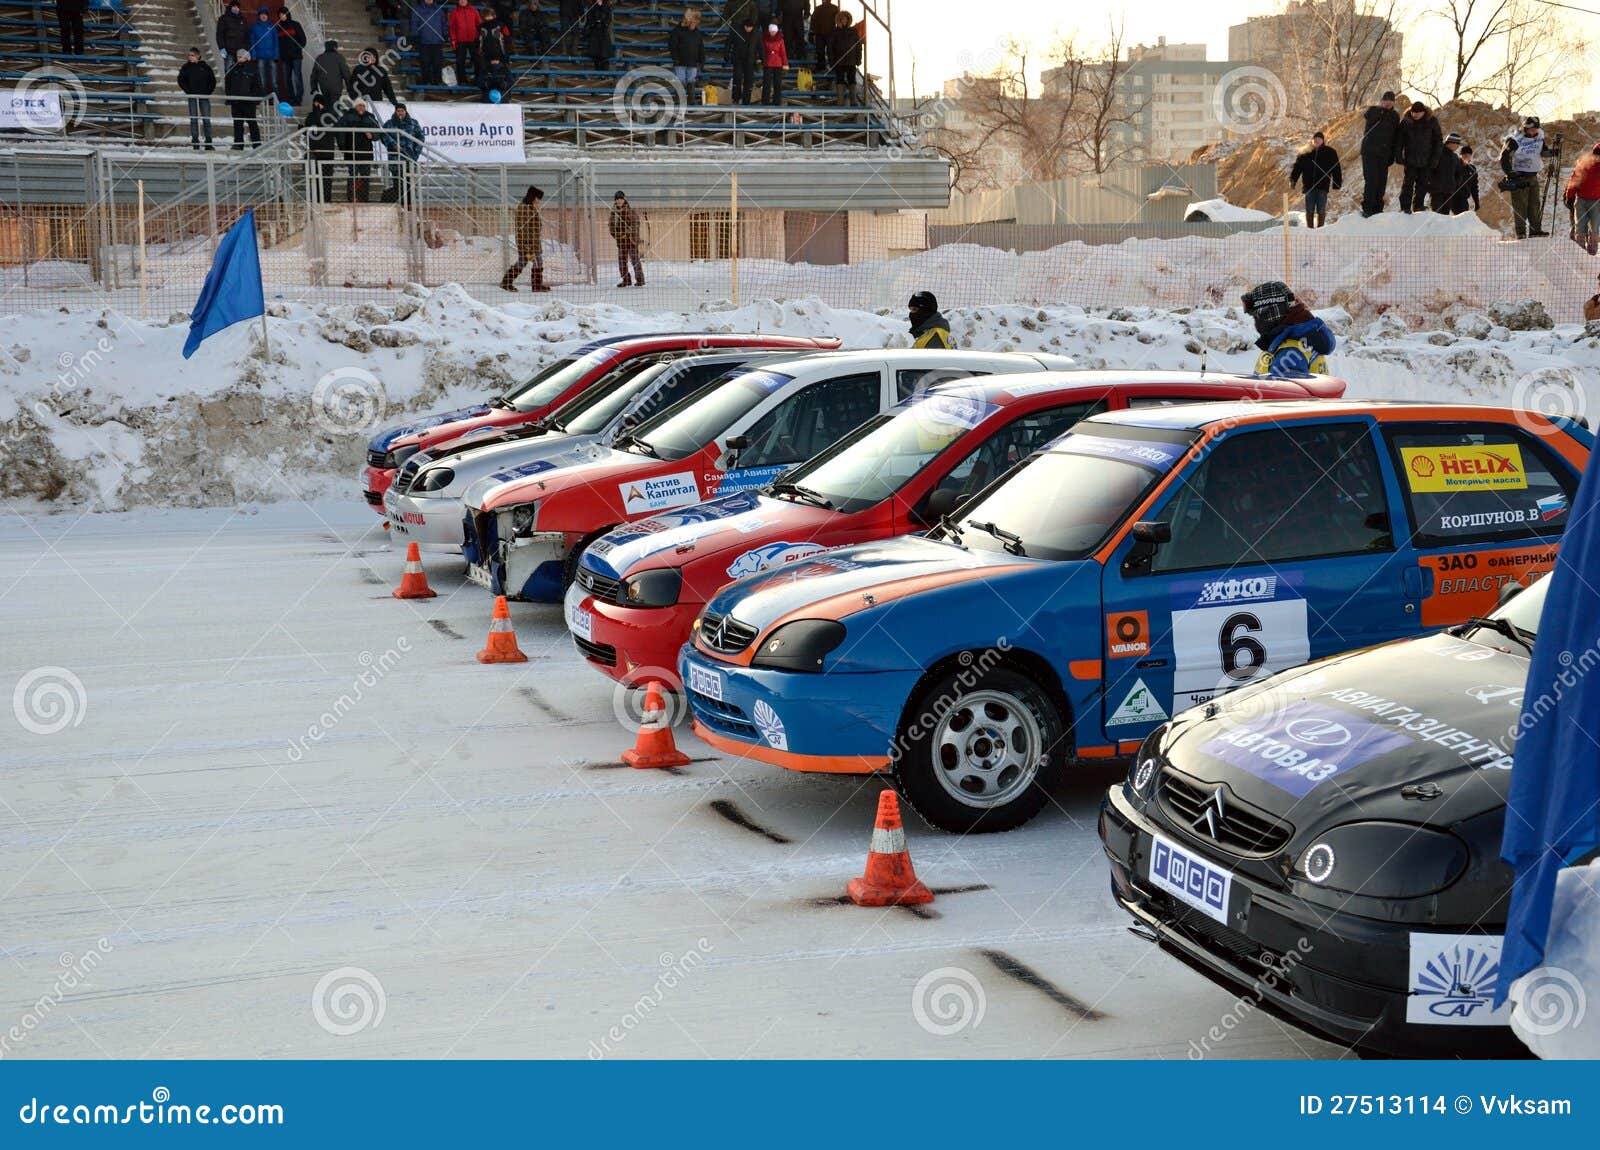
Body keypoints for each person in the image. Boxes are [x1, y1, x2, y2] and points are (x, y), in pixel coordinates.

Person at [1242, 281, 1335, 378]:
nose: (1256, 324)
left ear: (1269, 316)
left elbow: (1285, 392)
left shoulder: (1289, 354)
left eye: (1256, 318)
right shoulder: (1298, 342)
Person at [1502, 116, 1555, 238]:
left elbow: (1543, 152)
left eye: (1535, 129)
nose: (1533, 131)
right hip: (1519, 176)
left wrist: (1553, 152)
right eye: (1530, 129)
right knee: (1520, 205)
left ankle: (1535, 230)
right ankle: (1521, 232)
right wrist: (1510, 173)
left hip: (1533, 176)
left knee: (1534, 204)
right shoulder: (1515, 139)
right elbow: (1504, 156)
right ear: (1524, 128)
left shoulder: (1540, 136)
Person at [1395, 99, 1441, 214]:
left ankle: (1418, 206)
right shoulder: (1406, 121)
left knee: (1423, 184)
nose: (1415, 115)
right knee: (1408, 184)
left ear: (1423, 112)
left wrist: (1435, 159)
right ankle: (1405, 207)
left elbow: (1438, 141)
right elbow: (1398, 140)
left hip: (1427, 160)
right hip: (1410, 159)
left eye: (1418, 113)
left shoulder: (1432, 121)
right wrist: (1398, 155)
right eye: (1413, 112)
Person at [1359, 90, 1399, 217]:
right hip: (1369, 152)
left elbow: (1395, 137)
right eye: (1385, 100)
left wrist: (1392, 155)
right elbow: (1367, 115)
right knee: (1371, 179)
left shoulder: (1395, 116)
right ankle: (1368, 208)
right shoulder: (1374, 110)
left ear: (1393, 102)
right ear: (1382, 101)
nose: (1388, 103)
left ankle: (1378, 208)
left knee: (1381, 181)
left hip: (1384, 154)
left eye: (1391, 101)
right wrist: (1382, 111)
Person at [501, 185, 550, 291]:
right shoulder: (525, 208)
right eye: (538, 198)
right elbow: (525, 228)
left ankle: (506, 282)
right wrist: (528, 244)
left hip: (531, 242)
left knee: (523, 261)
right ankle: (537, 286)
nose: (539, 201)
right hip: (528, 243)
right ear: (533, 197)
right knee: (537, 261)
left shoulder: (529, 207)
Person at [1288, 131, 1341, 228]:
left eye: (1319, 139)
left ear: (1323, 140)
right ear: (1312, 140)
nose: (1317, 140)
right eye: (1315, 139)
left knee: (1321, 209)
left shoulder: (1330, 152)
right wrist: (1293, 180)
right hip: (1309, 186)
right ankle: (1310, 229)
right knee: (1309, 209)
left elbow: (1336, 168)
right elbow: (1297, 168)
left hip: (1323, 186)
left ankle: (1320, 228)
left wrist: (1337, 183)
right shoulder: (1305, 153)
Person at [338, 98, 382, 202]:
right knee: (353, 175)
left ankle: (364, 198)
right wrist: (343, 147)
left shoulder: (370, 117)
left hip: (366, 152)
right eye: (359, 105)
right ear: (355, 106)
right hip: (351, 152)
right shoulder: (347, 117)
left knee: (365, 176)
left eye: (363, 106)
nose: (361, 107)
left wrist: (372, 135)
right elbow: (340, 133)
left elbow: (378, 132)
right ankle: (352, 198)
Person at [383, 102, 426, 203]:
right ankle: (400, 205)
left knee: (409, 183)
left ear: (405, 111)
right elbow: (384, 135)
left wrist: (416, 152)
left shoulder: (414, 123)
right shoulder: (389, 123)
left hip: (410, 158)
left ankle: (409, 205)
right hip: (395, 158)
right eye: (398, 111)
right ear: (395, 112)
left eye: (402, 111)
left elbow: (421, 138)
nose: (400, 113)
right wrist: (392, 144)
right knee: (398, 183)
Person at [1564, 141, 1600, 255]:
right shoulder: (1584, 164)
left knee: (1594, 227)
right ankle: (1579, 252)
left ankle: (1592, 252)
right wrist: (1569, 196)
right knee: (1580, 226)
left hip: (1596, 201)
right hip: (1581, 200)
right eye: (1597, 156)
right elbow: (1574, 180)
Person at [178, 47, 216, 150]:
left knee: (206, 119)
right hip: (192, 96)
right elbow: (181, 80)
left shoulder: (206, 67)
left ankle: (208, 142)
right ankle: (195, 142)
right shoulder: (186, 67)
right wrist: (188, 91)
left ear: (198, 56)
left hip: (204, 97)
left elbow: (212, 81)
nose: (190, 57)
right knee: (194, 119)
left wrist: (208, 92)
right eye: (189, 55)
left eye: (192, 55)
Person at [303, 94, 339, 201]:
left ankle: (327, 199)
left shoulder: (329, 116)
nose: (316, 104)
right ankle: (316, 199)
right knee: (314, 177)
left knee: (326, 178)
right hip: (314, 151)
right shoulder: (311, 116)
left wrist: (321, 111)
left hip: (327, 151)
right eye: (315, 102)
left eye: (318, 102)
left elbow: (329, 126)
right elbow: (309, 130)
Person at [224, 48, 262, 148]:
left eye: (242, 56)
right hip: (236, 102)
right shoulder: (233, 69)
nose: (240, 58)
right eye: (238, 57)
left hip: (249, 102)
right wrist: (229, 98)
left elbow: (258, 85)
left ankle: (257, 144)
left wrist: (254, 98)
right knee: (237, 123)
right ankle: (238, 144)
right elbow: (228, 84)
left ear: (247, 57)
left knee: (252, 123)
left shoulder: (253, 69)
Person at [609, 190, 644, 286]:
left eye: (621, 199)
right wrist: (618, 235)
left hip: (631, 240)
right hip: (621, 241)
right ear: (615, 201)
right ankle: (626, 280)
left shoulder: (630, 211)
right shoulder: (613, 213)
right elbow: (611, 227)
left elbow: (635, 225)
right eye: (617, 199)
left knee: (635, 260)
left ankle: (640, 280)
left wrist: (630, 234)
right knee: (622, 261)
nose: (619, 201)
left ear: (624, 200)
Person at [411, 0, 449, 85]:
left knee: (438, 63)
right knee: (425, 63)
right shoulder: (418, 9)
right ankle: (426, 81)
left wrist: (445, 34)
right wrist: (415, 35)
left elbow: (444, 23)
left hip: (437, 41)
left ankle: (437, 81)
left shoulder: (439, 9)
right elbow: (414, 23)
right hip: (424, 42)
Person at [668, 8, 705, 94]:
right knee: (680, 81)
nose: (694, 24)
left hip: (692, 62)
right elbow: (672, 46)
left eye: (695, 22)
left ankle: (691, 101)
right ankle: (680, 101)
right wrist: (675, 58)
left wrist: (702, 61)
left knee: (691, 81)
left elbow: (701, 48)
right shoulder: (677, 31)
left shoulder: (697, 33)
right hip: (680, 62)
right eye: (693, 22)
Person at [276, 8, 307, 106]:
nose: (282, 16)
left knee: (297, 78)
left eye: (283, 14)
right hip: (285, 58)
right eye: (280, 15)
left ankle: (298, 99)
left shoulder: (295, 25)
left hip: (296, 57)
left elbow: (303, 40)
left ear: (287, 14)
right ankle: (291, 99)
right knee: (287, 79)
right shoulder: (278, 27)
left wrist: (297, 49)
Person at [1429, 132, 1465, 215]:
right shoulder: (1437, 153)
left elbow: (1459, 173)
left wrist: (1455, 185)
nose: (1458, 146)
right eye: (1457, 144)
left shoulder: (1455, 157)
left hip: (1449, 192)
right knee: (1436, 215)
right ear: (1452, 143)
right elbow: (1429, 170)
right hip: (1436, 191)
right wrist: (1431, 184)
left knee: (1445, 217)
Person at [449, 0, 483, 86]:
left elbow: (479, 24)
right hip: (460, 40)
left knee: (477, 60)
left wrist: (480, 37)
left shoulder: (474, 10)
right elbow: (452, 27)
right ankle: (462, 80)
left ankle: (478, 79)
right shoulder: (454, 12)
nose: (462, 1)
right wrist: (453, 39)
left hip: (473, 39)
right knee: (460, 61)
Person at [829, 10, 860, 104]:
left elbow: (858, 46)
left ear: (848, 20)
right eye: (842, 19)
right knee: (840, 80)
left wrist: (858, 59)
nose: (844, 21)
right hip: (839, 61)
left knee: (852, 80)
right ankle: (840, 101)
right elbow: (830, 48)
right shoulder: (835, 32)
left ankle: (853, 102)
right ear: (839, 20)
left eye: (846, 19)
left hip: (851, 61)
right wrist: (832, 61)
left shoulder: (853, 31)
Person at [310, 40, 352, 105]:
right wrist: (349, 87)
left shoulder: (319, 58)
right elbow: (346, 73)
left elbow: (314, 75)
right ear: (335, 48)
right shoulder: (339, 57)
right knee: (335, 105)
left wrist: (314, 87)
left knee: (327, 104)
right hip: (336, 87)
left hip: (324, 86)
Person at [730, 13, 758, 105]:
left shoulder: (756, 34)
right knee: (737, 79)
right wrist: (726, 53)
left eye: (750, 27)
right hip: (738, 59)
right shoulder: (737, 31)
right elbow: (729, 42)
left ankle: (746, 101)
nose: (748, 29)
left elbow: (760, 47)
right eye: (747, 27)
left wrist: (762, 58)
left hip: (750, 61)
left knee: (748, 81)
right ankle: (736, 98)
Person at [759, 21, 786, 106]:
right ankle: (765, 101)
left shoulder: (780, 40)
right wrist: (762, 60)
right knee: (766, 83)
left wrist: (785, 63)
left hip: (778, 64)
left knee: (777, 83)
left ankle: (777, 101)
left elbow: (783, 52)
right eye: (771, 31)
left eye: (774, 31)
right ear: (769, 31)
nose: (773, 33)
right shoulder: (764, 39)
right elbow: (762, 51)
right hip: (768, 63)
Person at [1450, 144, 1481, 216]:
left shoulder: (1472, 169)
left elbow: (1474, 187)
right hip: (1453, 197)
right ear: (1460, 155)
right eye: (1464, 155)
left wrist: (1476, 201)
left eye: (1468, 155)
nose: (1466, 157)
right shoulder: (1455, 165)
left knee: (1464, 217)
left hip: (1464, 199)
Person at [216, 1, 247, 67]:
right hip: (229, 51)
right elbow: (219, 34)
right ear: (230, 8)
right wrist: (222, 48)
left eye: (237, 7)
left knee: (240, 71)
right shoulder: (223, 18)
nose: (236, 8)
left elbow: (247, 35)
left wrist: (246, 48)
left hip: (240, 51)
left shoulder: (243, 19)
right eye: (234, 7)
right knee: (229, 71)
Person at [809, 0, 837, 74]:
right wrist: (811, 32)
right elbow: (813, 21)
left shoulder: (819, 8)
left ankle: (827, 67)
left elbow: (813, 21)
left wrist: (811, 32)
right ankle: (828, 67)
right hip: (822, 34)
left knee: (826, 51)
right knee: (823, 51)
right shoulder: (834, 8)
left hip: (826, 34)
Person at [585, 0, 612, 70]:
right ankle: (597, 70)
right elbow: (589, 19)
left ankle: (604, 72)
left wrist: (603, 22)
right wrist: (594, 22)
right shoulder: (592, 7)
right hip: (595, 33)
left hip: (603, 33)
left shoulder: (607, 7)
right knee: (596, 55)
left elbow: (608, 19)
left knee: (604, 55)